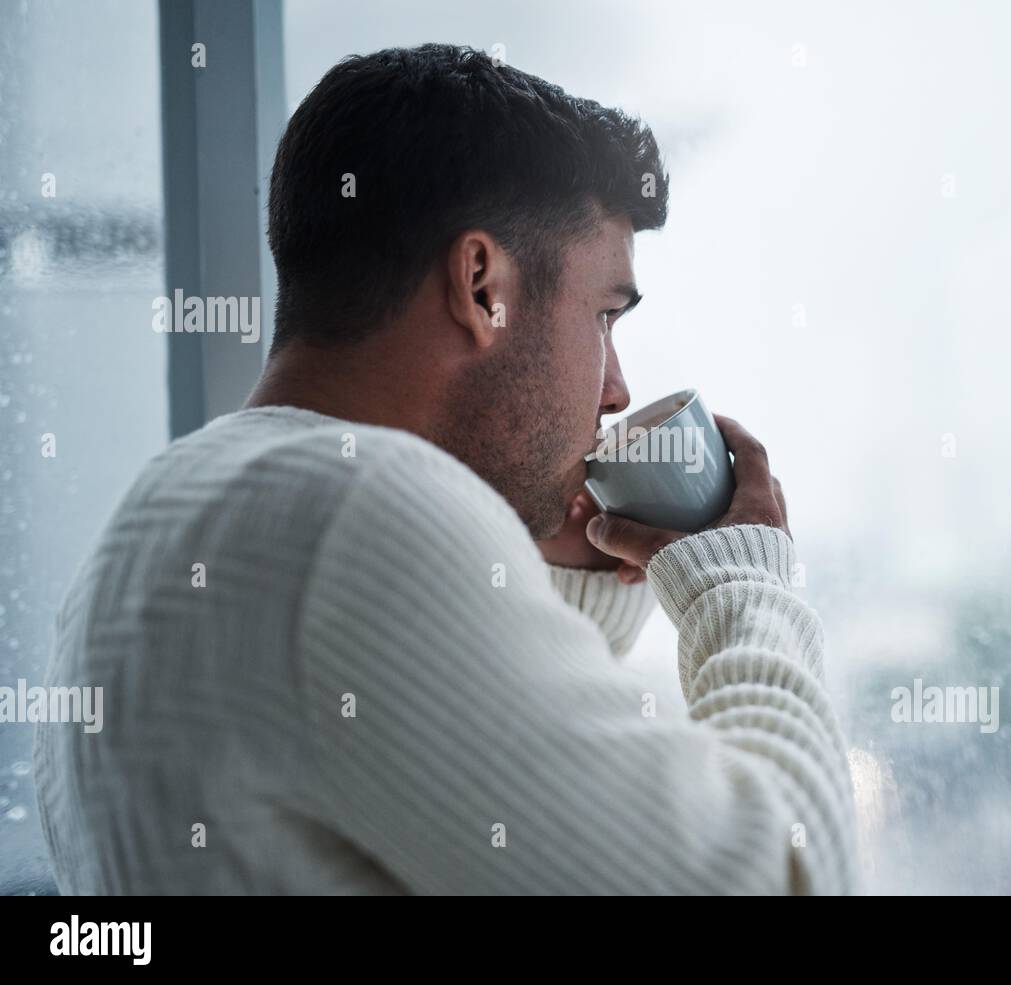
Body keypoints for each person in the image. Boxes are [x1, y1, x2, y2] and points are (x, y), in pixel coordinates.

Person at [34, 43, 861, 894]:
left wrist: (549, 563)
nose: (616, 390)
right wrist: (743, 581)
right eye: (605, 316)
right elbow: (782, 874)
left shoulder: (144, 533)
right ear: (480, 285)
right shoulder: (358, 515)